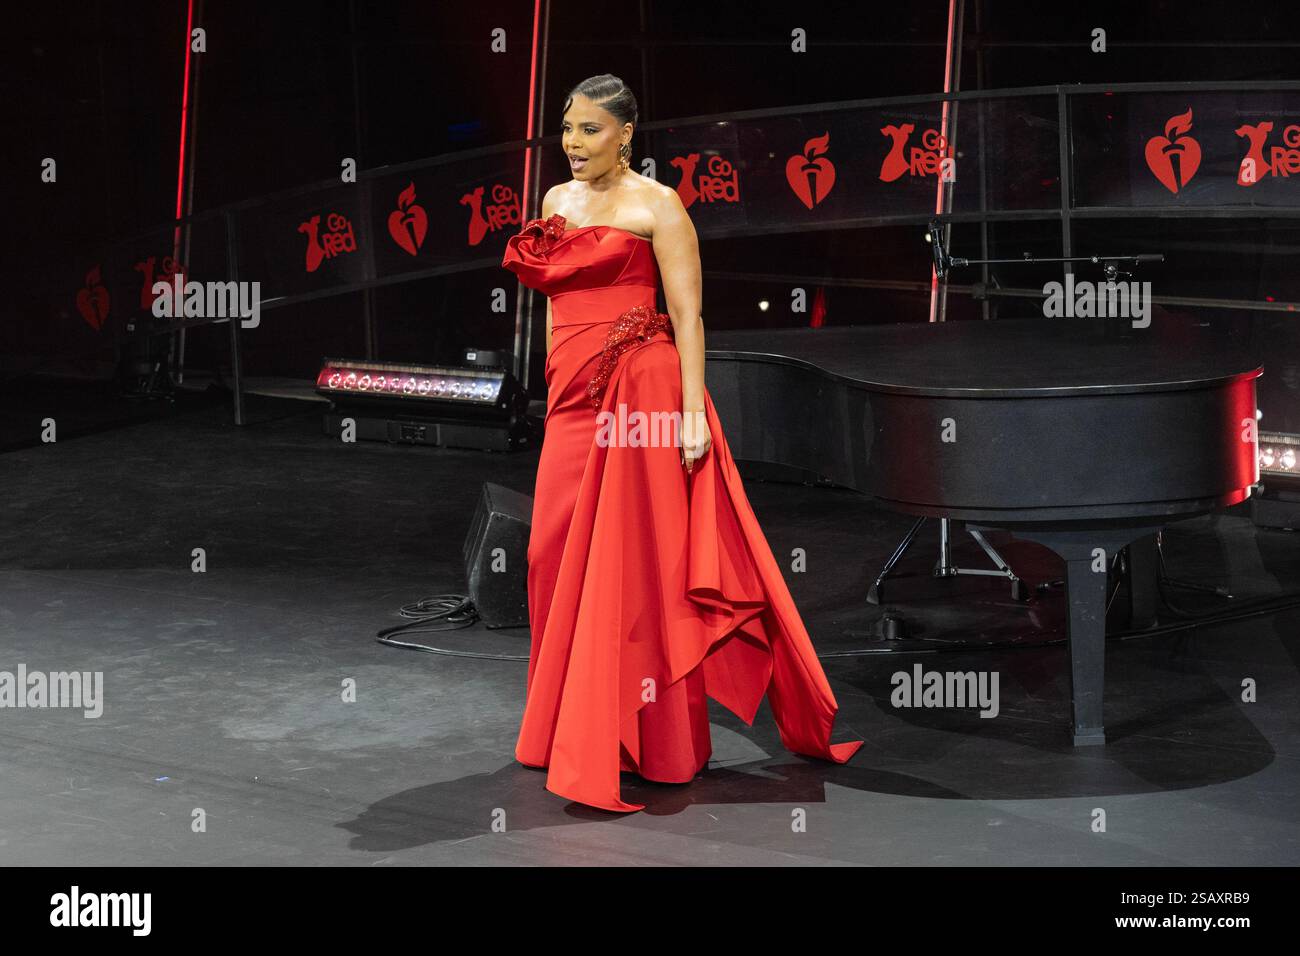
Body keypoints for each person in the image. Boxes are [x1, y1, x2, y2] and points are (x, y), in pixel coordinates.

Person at [501, 74, 862, 813]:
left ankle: (654, 743)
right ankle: (560, 725)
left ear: (625, 134)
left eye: (590, 130)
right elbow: (554, 306)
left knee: (636, 565)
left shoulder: (659, 206)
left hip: (644, 393)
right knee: (548, 554)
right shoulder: (556, 203)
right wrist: (549, 388)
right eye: (567, 128)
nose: (573, 143)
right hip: (572, 400)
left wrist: (694, 412)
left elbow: (689, 316)